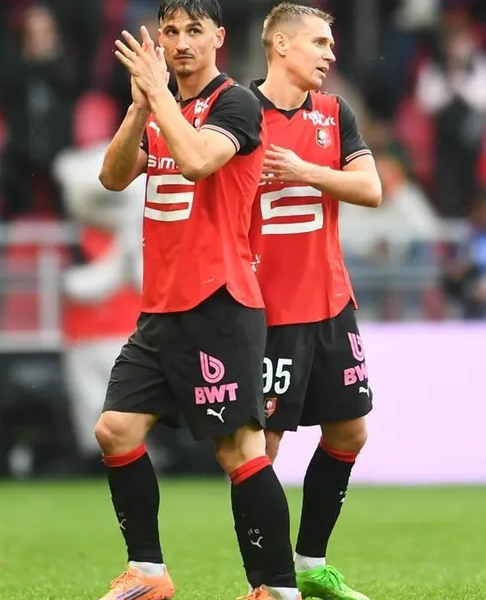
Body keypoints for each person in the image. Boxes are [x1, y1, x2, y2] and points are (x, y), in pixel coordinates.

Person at [96, 2, 301, 600]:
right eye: (170, 31)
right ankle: (149, 575)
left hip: (219, 301)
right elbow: (112, 177)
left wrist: (157, 96)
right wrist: (139, 108)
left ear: (218, 37)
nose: (181, 42)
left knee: (238, 448)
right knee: (115, 430)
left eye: (193, 30)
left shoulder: (237, 103)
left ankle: (276, 588)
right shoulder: (160, 107)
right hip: (161, 307)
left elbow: (195, 161)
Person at [243, 4, 382, 600]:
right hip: (268, 313)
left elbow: (371, 188)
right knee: (261, 451)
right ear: (279, 44)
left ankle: (309, 564)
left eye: (332, 43)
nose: (330, 54)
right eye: (319, 42)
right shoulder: (237, 112)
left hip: (330, 302)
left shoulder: (333, 113)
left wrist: (304, 170)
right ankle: (269, 585)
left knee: (350, 432)